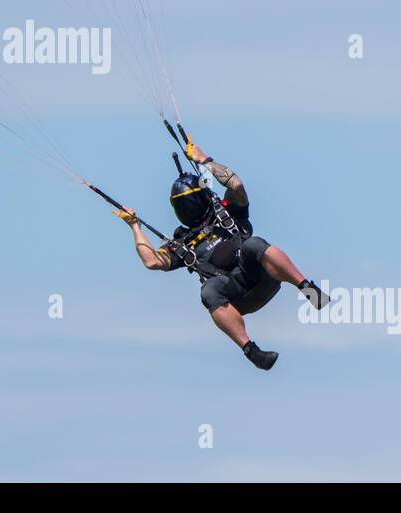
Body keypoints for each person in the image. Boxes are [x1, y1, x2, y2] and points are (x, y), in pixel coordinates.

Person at [117, 140, 326, 371]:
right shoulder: (182, 243)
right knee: (208, 290)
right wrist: (134, 226)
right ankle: (252, 352)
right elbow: (152, 260)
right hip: (237, 299)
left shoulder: (227, 211)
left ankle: (307, 288)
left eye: (189, 203)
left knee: (254, 245)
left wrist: (204, 160)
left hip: (263, 276)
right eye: (181, 207)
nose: (187, 210)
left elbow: (236, 184)